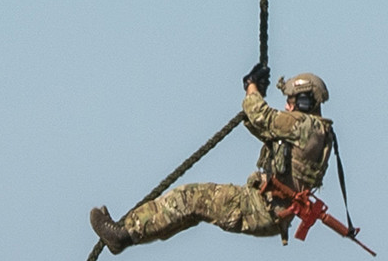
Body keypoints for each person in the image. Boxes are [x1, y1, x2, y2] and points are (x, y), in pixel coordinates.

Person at [90, 67, 334, 250]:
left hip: (262, 208)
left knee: (189, 197)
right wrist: (254, 97)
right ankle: (127, 236)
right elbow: (263, 127)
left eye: (291, 101)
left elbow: (261, 116)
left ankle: (124, 233)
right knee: (191, 210)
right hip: (269, 211)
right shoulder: (316, 131)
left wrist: (251, 88)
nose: (288, 106)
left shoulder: (305, 127)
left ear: (304, 101)